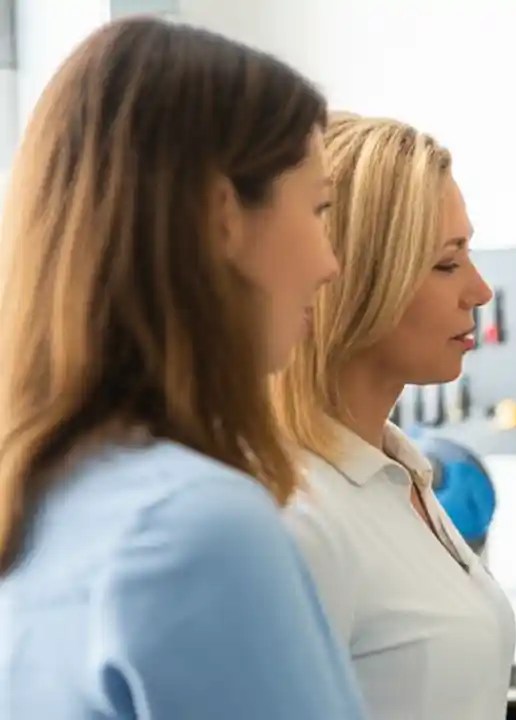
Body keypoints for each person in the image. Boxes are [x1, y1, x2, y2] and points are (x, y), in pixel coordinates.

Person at [0, 17, 366, 720]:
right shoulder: (194, 529)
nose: (330, 263)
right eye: (317, 209)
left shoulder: (45, 503)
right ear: (222, 213)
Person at [275, 112, 513, 720]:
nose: (480, 290)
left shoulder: (400, 474)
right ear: (348, 279)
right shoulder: (294, 518)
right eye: (446, 263)